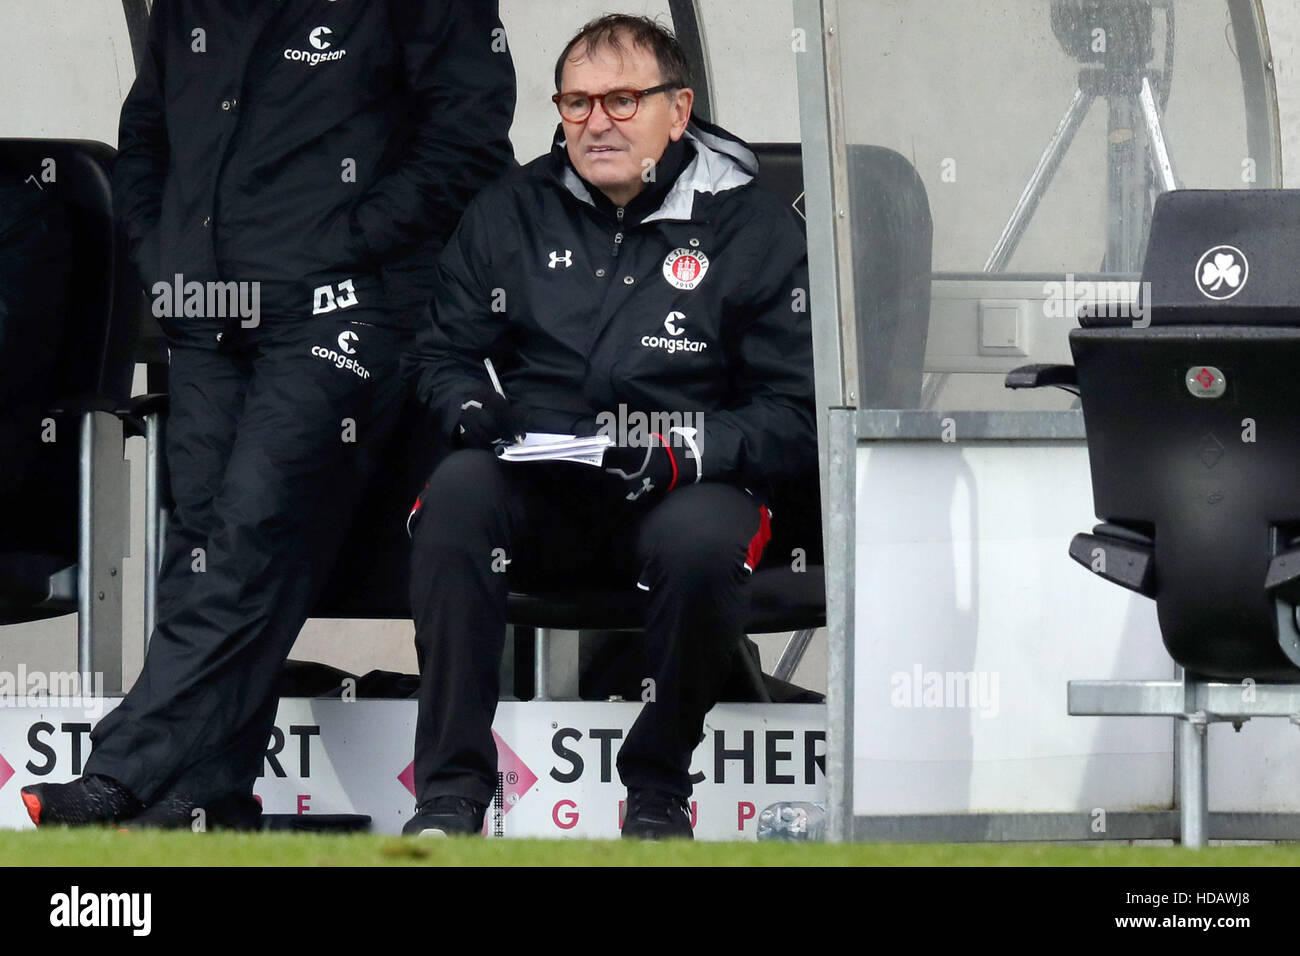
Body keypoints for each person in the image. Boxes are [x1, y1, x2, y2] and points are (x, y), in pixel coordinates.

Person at [21, 0, 516, 829]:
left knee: (257, 530)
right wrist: (161, 247)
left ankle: (120, 770)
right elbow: (145, 134)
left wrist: (350, 240)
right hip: (207, 307)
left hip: (348, 307)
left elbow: (469, 139)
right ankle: (200, 796)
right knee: (202, 549)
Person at [403, 14, 815, 839]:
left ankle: (658, 790)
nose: (597, 122)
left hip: (680, 489)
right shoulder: (509, 210)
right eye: (577, 103)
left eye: (623, 100)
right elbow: (439, 354)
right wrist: (467, 406)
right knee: (453, 496)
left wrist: (683, 451)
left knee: (702, 540)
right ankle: (449, 795)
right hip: (541, 486)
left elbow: (795, 410)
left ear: (679, 108)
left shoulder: (754, 227)